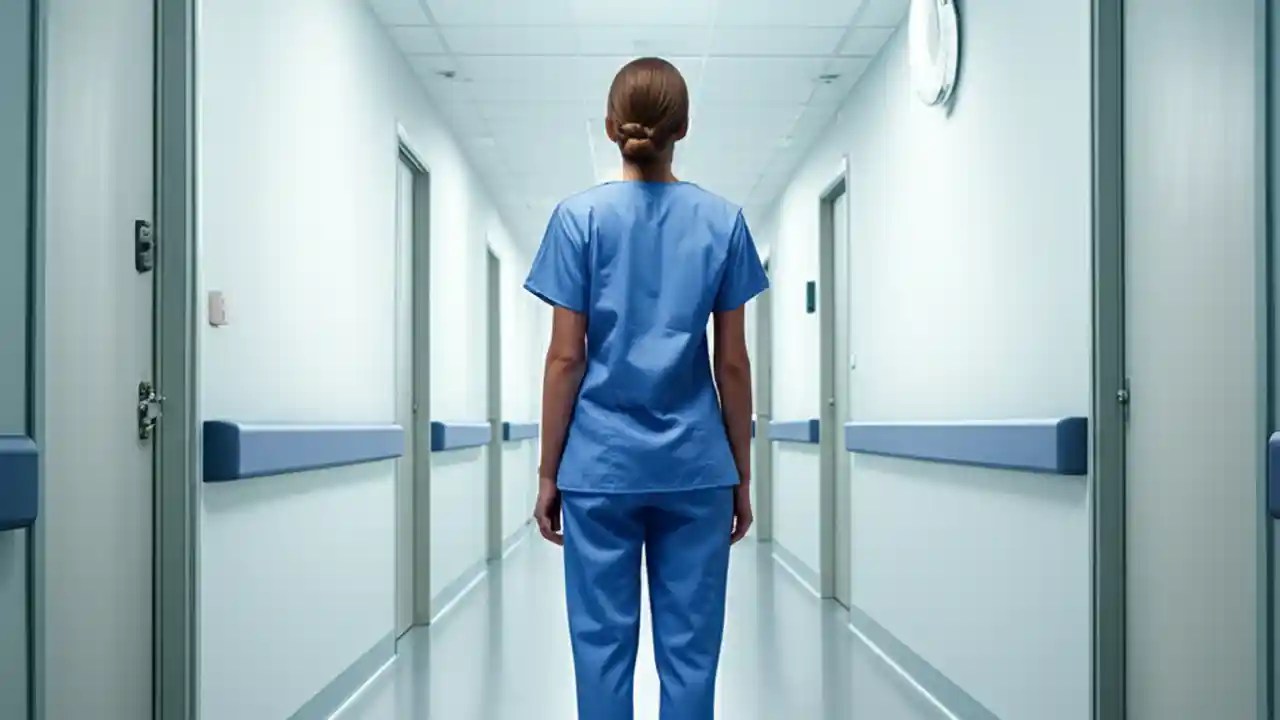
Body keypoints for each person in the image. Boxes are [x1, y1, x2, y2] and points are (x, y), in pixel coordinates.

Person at [523, 57, 769, 720]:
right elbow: (732, 364)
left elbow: (565, 359)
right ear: (683, 128)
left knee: (600, 649)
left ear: (611, 127)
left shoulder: (577, 220)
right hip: (696, 470)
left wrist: (548, 473)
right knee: (691, 654)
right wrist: (741, 474)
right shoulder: (723, 223)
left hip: (599, 469)